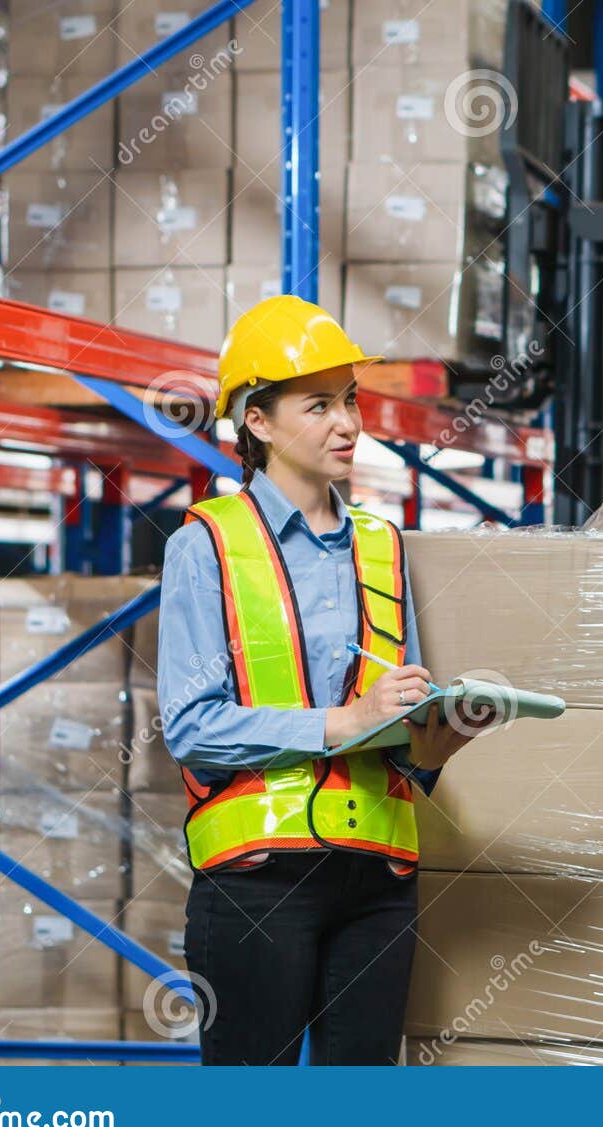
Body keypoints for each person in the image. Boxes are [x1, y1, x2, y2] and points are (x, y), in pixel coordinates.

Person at [157, 296, 487, 1065]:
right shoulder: (207, 545)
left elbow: (389, 719)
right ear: (258, 422)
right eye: (319, 406)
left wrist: (431, 747)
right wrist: (338, 724)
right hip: (258, 877)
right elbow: (191, 726)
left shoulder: (381, 544)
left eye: (350, 401)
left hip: (376, 876)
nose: (348, 424)